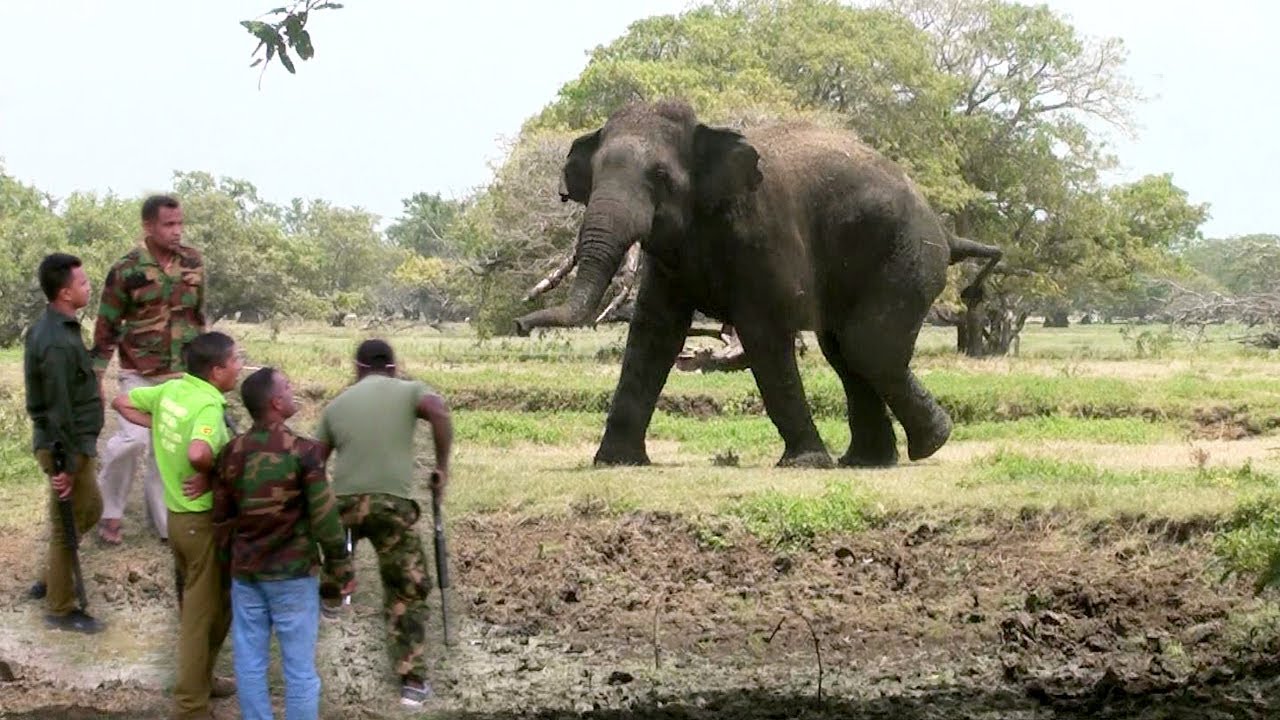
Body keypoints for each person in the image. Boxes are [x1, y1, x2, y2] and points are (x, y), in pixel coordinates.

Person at [212, 367, 355, 720]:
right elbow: (325, 519)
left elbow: (221, 519)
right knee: (299, 670)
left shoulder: (231, 452)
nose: (294, 392)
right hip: (293, 577)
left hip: (246, 576)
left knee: (249, 665)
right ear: (276, 402)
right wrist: (341, 567)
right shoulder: (304, 453)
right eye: (288, 387)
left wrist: (226, 566)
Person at [316, 339, 453, 707]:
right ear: (393, 367)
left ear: (358, 368)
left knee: (336, 552)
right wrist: (441, 467)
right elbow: (439, 411)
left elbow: (315, 461)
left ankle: (333, 592)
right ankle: (412, 681)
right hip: (392, 506)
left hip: (344, 505)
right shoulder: (409, 390)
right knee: (406, 589)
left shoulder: (338, 404)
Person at [114, 331, 241, 720]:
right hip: (200, 520)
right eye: (236, 360)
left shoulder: (171, 390)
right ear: (217, 370)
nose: (240, 366)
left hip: (177, 519)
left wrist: (159, 428)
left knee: (217, 608)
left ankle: (203, 679)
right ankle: (190, 708)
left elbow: (120, 401)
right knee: (197, 620)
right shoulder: (206, 405)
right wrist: (212, 470)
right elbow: (199, 451)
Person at [92, 193, 206, 545]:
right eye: (168, 224)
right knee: (131, 440)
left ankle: (164, 523)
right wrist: (97, 374)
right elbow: (107, 324)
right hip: (138, 372)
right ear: (148, 226)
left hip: (181, 373)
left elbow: (197, 316)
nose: (176, 231)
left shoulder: (193, 261)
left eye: (179, 223)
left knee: (167, 449)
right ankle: (108, 512)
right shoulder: (126, 269)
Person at [24, 253, 106, 633]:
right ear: (64, 292)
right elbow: (58, 407)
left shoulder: (65, 328)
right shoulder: (56, 340)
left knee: (76, 517)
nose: (89, 287)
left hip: (72, 444)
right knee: (76, 517)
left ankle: (50, 578)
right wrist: (66, 466)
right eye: (83, 283)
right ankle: (60, 607)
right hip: (65, 446)